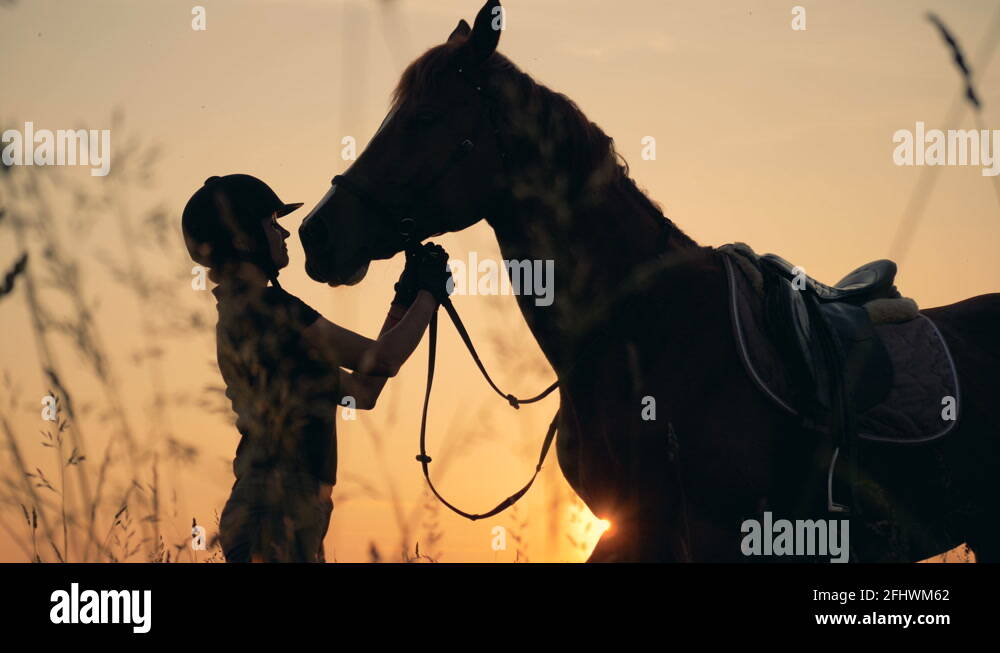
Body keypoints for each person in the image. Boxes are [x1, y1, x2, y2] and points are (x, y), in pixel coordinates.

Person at [181, 174, 451, 562]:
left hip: (285, 507)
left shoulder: (245, 315)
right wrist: (428, 293)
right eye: (272, 223)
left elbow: (363, 392)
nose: (284, 233)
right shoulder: (274, 310)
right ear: (244, 238)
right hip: (280, 508)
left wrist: (405, 298)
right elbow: (385, 360)